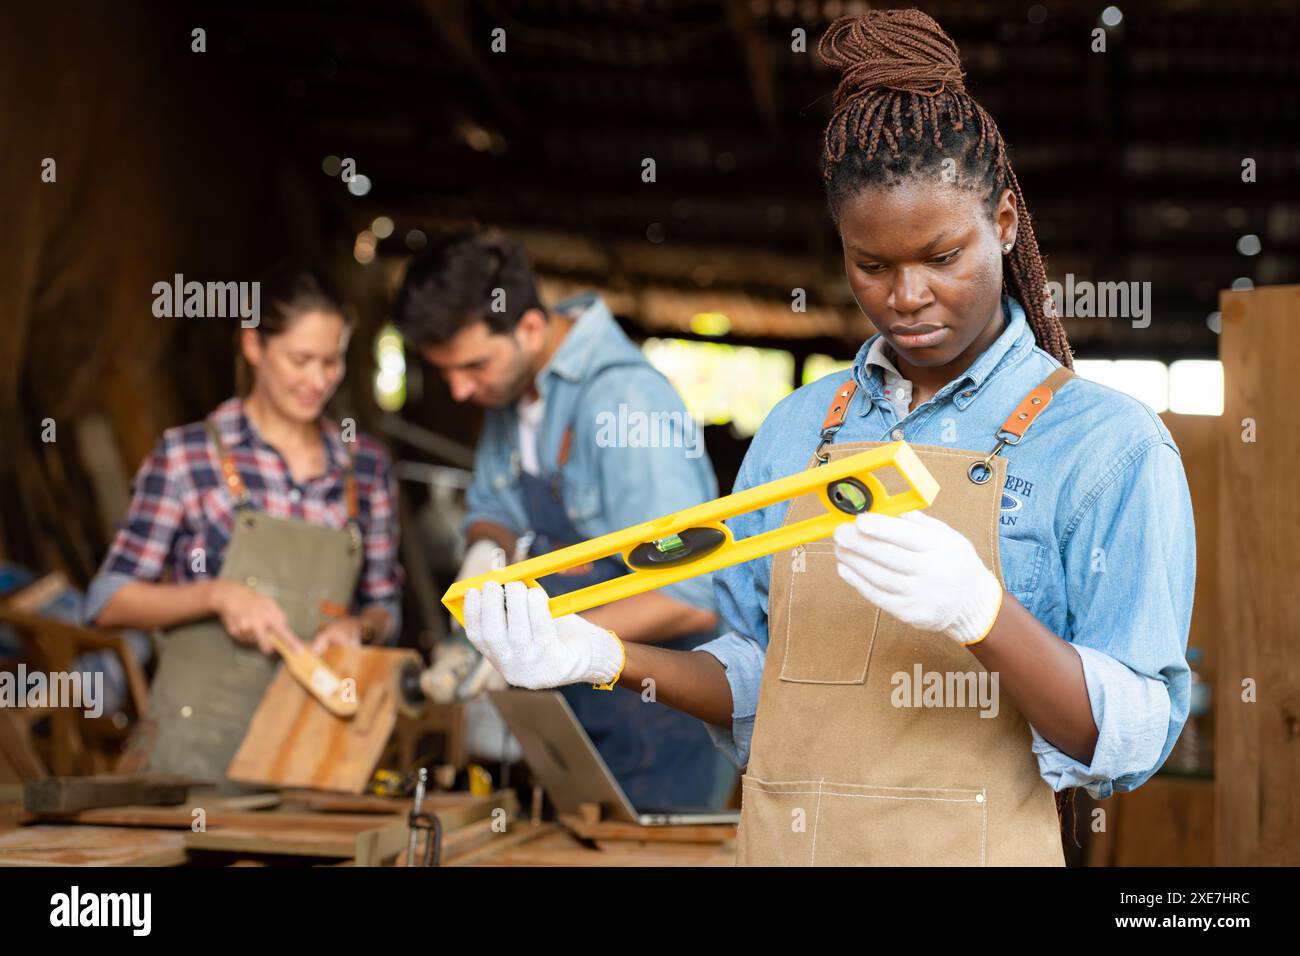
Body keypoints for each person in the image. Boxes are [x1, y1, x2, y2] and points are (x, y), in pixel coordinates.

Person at [458, 9, 1195, 864]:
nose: (906, 295)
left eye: (942, 255)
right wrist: (600, 654)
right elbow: (752, 681)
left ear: (1003, 221)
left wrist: (983, 615)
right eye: (870, 265)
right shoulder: (801, 429)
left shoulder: (1106, 446)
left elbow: (1135, 736)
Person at [393, 231, 734, 810]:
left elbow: (691, 593)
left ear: (528, 327)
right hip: (579, 707)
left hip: (658, 720)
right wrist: (486, 553)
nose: (458, 388)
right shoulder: (513, 393)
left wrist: (552, 645)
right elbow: (493, 510)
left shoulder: (625, 403)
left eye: (472, 365)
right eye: (446, 370)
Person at [86, 268, 403, 790]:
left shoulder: (364, 467)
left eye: (332, 361)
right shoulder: (188, 457)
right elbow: (106, 602)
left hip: (313, 753)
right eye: (300, 360)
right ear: (253, 344)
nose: (318, 380)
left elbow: (385, 607)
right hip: (192, 752)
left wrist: (358, 628)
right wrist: (214, 595)